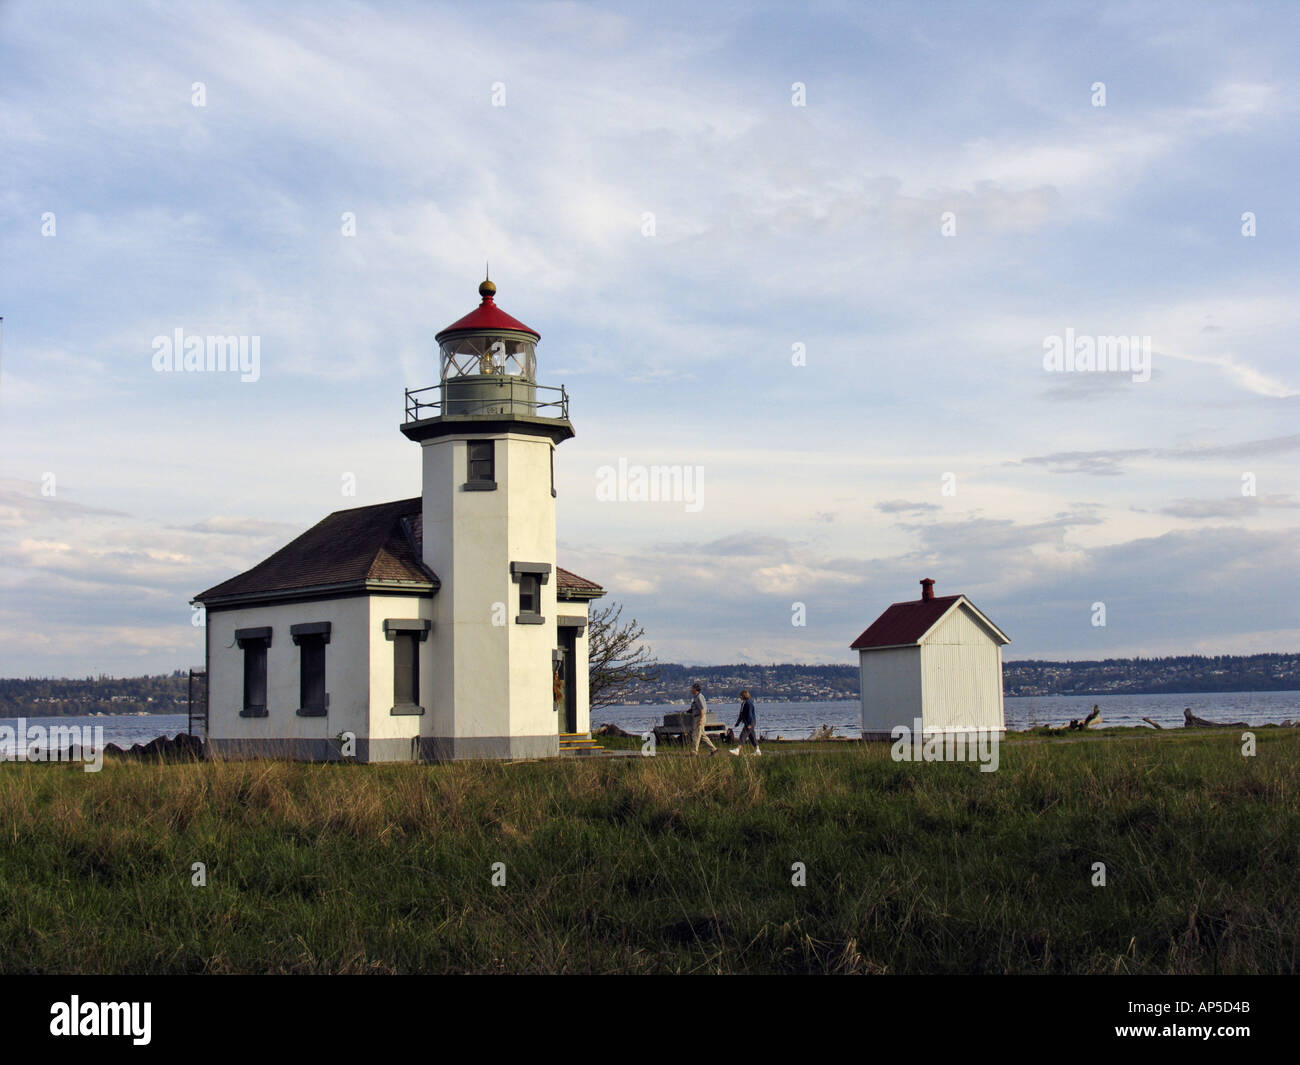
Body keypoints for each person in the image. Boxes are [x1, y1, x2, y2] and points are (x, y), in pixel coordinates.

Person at [688, 683, 717, 756]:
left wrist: (700, 719)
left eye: (692, 688)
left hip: (699, 717)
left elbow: (702, 709)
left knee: (696, 735)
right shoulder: (695, 697)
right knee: (702, 735)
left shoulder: (699, 697)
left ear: (695, 689)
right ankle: (713, 749)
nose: (690, 689)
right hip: (697, 717)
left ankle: (694, 752)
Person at [730, 689, 760, 756]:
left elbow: (749, 714)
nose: (739, 697)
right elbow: (741, 714)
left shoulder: (748, 703)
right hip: (748, 723)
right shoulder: (743, 703)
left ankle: (737, 750)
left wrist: (749, 724)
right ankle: (757, 750)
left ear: (744, 695)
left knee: (743, 735)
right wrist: (737, 722)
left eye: (740, 695)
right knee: (752, 736)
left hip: (750, 723)